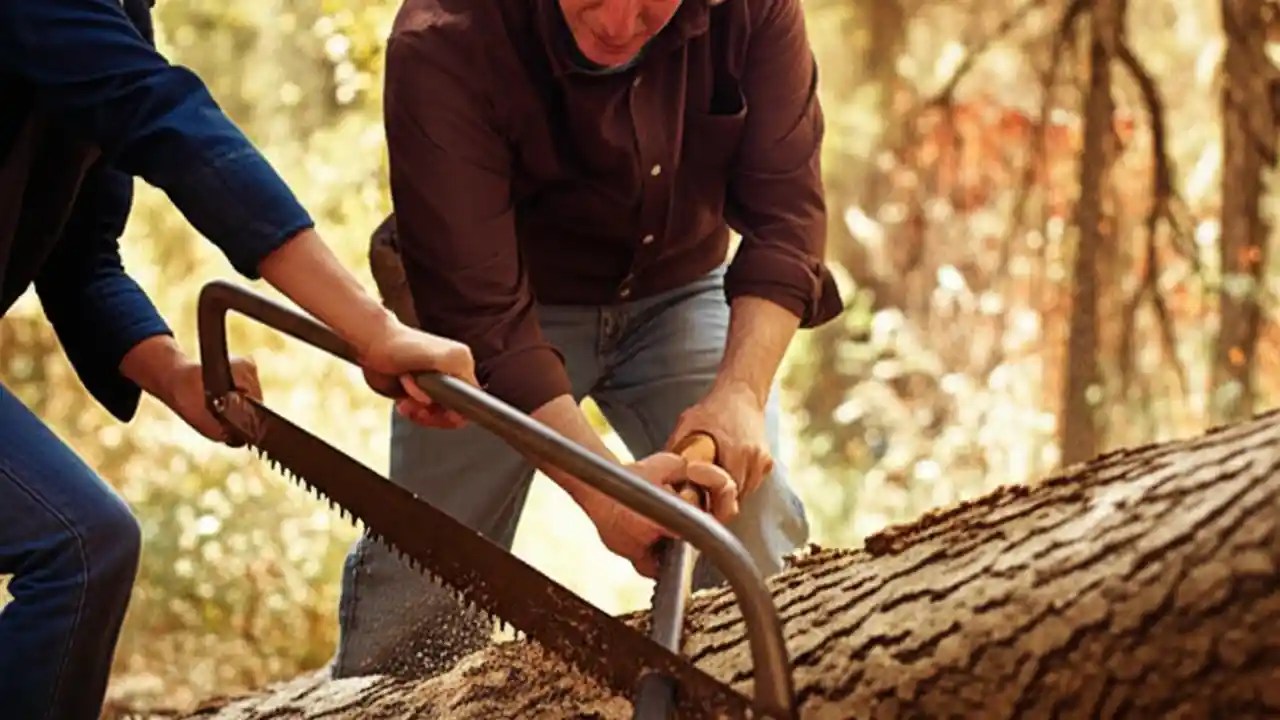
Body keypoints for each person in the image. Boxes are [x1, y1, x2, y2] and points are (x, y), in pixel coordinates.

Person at [333, 0, 845, 678]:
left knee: (748, 523)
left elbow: (788, 220)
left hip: (680, 288)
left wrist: (740, 397)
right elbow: (484, 315)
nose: (614, 21)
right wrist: (606, 497)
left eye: (647, 2)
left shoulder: (756, 9)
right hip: (499, 316)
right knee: (427, 574)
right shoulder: (444, 36)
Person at [0, 0, 482, 718]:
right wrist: (371, 330)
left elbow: (80, 261)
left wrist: (175, 376)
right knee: (80, 545)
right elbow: (168, 123)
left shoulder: (122, 14)